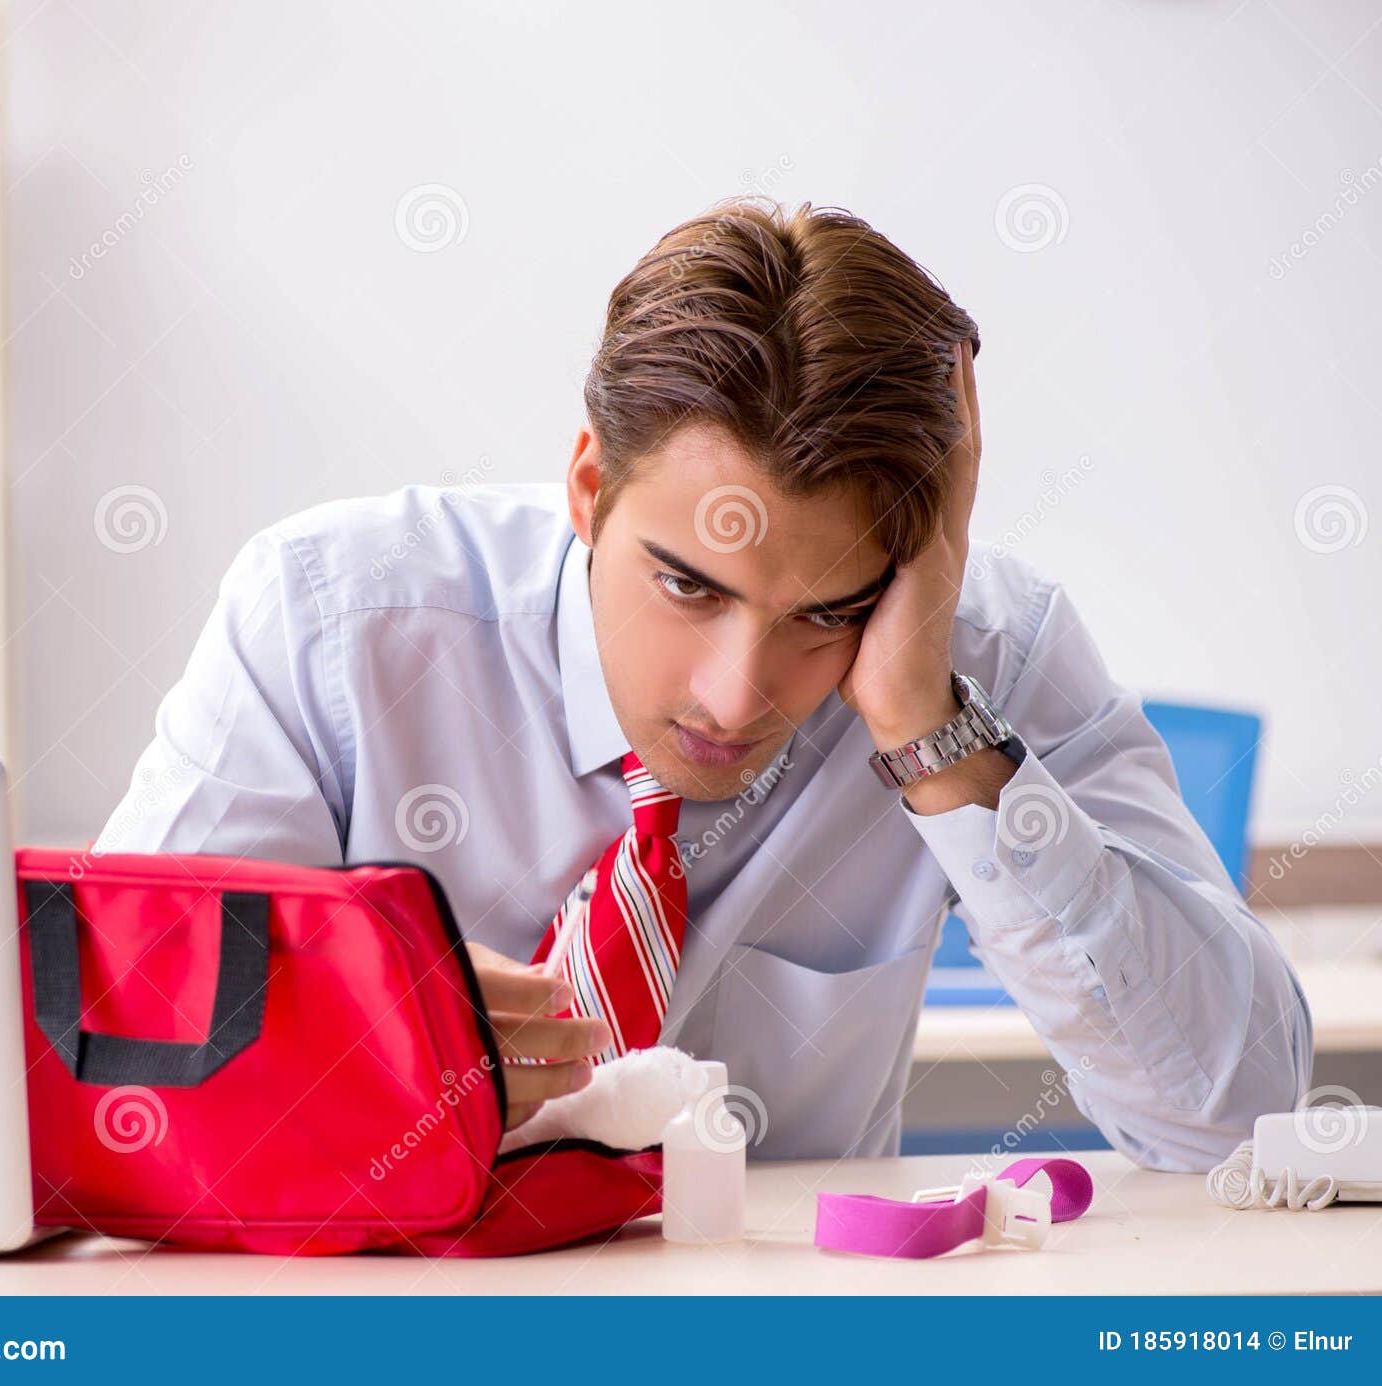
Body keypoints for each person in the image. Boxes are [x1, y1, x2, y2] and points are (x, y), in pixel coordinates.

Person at [95, 199, 1311, 1167]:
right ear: (588, 488)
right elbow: (113, 1073)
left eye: (825, 614)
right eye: (687, 586)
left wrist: (930, 732)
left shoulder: (981, 654)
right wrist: (365, 1041)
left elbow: (1237, 1119)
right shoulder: (329, 625)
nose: (736, 699)